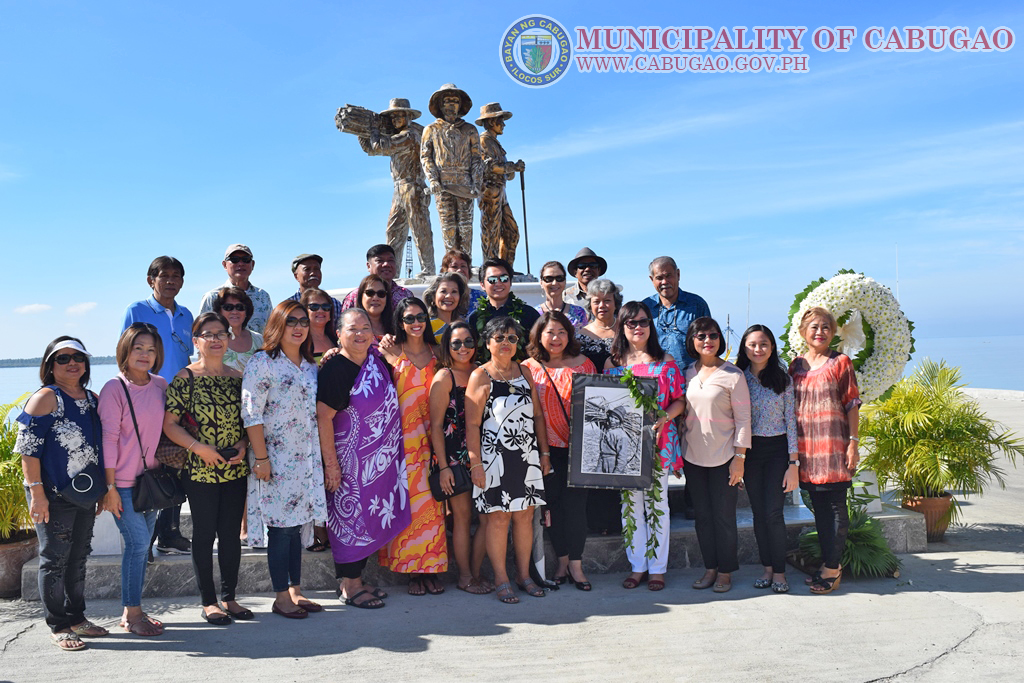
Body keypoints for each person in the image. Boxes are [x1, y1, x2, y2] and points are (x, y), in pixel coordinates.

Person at [16, 337, 108, 651]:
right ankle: (58, 626)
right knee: (54, 560)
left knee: (78, 558)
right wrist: (37, 495)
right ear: (50, 366)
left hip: (83, 495)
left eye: (78, 357)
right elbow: (27, 452)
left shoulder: (93, 399)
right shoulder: (45, 398)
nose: (72, 363)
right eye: (63, 358)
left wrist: (99, 492)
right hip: (53, 496)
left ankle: (77, 617)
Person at [316, 308, 410, 609]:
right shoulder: (335, 369)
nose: (360, 334)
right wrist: (331, 465)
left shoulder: (376, 361)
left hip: (379, 464)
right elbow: (323, 418)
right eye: (352, 329)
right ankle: (349, 586)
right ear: (339, 334)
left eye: (365, 328)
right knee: (350, 521)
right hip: (348, 464)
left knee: (368, 519)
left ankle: (356, 579)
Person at [162, 313, 252, 624]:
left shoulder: (237, 377)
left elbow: (247, 424)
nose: (215, 339)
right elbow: (170, 425)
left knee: (230, 534)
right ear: (196, 341)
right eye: (207, 334)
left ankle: (230, 597)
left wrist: (243, 445)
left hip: (234, 469)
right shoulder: (184, 378)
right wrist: (200, 449)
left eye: (221, 333)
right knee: (204, 534)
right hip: (199, 470)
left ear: (228, 339)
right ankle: (209, 601)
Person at [242, 302, 329, 618]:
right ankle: (281, 597)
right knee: (281, 529)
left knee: (296, 528)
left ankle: (295, 591)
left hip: (306, 461)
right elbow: (251, 414)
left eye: (303, 321)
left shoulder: (308, 365)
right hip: (275, 460)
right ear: (277, 324)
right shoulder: (262, 363)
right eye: (290, 321)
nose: (298, 326)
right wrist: (261, 458)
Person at [465, 317, 551, 604]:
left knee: (525, 516)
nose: (506, 343)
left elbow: (538, 415)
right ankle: (501, 578)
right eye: (500, 337)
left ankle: (523, 575)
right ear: (487, 342)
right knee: (499, 519)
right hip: (494, 459)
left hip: (526, 455)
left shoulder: (525, 371)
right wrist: (476, 463)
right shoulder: (480, 376)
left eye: (512, 338)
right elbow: (472, 425)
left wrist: (544, 453)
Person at [604, 302, 686, 592]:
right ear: (622, 327)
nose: (638, 327)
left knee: (657, 505)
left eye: (643, 322)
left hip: (659, 443)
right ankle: (637, 565)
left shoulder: (665, 361)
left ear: (650, 326)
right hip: (624, 447)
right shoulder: (613, 363)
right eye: (631, 323)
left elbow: (679, 400)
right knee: (631, 507)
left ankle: (658, 568)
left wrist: (666, 416)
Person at [97, 324, 168, 637]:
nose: (145, 355)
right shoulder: (115, 388)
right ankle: (132, 612)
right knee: (138, 545)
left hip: (150, 483)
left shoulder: (160, 385)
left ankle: (133, 612)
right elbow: (108, 439)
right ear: (125, 350)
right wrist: (109, 488)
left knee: (142, 547)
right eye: (138, 348)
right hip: (122, 485)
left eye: (151, 349)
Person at [122, 256, 192, 557]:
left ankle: (170, 533)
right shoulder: (137, 310)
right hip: (147, 398)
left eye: (177, 276)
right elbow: (126, 351)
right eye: (164, 275)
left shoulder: (187, 314)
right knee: (146, 463)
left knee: (176, 463)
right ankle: (144, 540)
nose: (171, 281)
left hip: (179, 400)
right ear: (152, 280)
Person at [788, 307, 862, 595]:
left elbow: (852, 404)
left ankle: (833, 567)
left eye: (826, 328)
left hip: (834, 446)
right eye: (814, 327)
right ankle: (826, 562)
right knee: (818, 506)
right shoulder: (796, 366)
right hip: (807, 448)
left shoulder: (841, 362)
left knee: (834, 506)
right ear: (803, 332)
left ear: (833, 333)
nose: (820, 332)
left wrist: (853, 442)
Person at [523, 311, 596, 590]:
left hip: (580, 449)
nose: (556, 338)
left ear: (570, 334)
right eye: (550, 332)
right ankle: (562, 561)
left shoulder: (585, 365)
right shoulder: (527, 368)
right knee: (552, 508)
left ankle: (576, 565)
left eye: (562, 332)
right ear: (539, 336)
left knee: (577, 508)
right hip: (544, 450)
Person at [378, 298, 448, 594]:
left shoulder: (439, 353)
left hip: (436, 441)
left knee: (433, 508)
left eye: (421, 316)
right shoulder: (391, 351)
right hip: (401, 444)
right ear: (400, 322)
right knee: (408, 509)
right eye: (409, 318)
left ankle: (430, 569)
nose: (416, 322)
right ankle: (412, 573)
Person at [683, 316, 751, 595]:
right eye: (701, 336)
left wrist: (740, 458)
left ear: (720, 340)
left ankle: (725, 572)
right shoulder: (687, 372)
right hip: (692, 457)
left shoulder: (733, 375)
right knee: (702, 517)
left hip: (724, 458)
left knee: (724, 518)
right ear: (693, 341)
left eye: (712, 335)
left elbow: (744, 419)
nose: (707, 341)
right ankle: (710, 568)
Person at [428, 321, 492, 595]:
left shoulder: (484, 372)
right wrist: (444, 467)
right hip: (455, 459)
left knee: (488, 520)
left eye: (468, 341)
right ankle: (465, 577)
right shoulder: (444, 377)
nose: (463, 347)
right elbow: (436, 426)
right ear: (447, 347)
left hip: (485, 455)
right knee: (463, 518)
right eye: (456, 343)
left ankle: (475, 574)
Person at [736, 324, 799, 594]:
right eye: (752, 344)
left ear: (772, 347)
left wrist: (793, 464)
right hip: (749, 452)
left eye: (763, 344)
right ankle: (767, 569)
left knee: (774, 513)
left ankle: (781, 573)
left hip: (777, 450)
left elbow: (792, 423)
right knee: (759, 514)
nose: (758, 349)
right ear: (744, 348)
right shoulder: (738, 378)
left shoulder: (783, 379)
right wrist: (736, 460)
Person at [355, 98, 436, 275]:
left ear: (408, 116)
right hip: (399, 188)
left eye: (399, 115)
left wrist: (374, 129)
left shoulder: (408, 135)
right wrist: (361, 131)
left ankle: (428, 270)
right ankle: (392, 273)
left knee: (419, 229)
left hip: (412, 186)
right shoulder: (402, 134)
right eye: (392, 117)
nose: (395, 119)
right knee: (393, 231)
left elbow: (379, 147)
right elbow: (370, 149)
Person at [420, 83, 482, 255]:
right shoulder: (431, 129)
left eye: (455, 101)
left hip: (465, 184)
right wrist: (433, 179)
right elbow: (425, 156)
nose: (451, 104)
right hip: (443, 184)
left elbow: (477, 158)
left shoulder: (470, 130)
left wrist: (477, 183)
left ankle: (466, 262)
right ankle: (451, 263)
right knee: (448, 226)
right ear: (440, 104)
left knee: (465, 226)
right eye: (447, 100)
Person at [642, 256, 710, 371]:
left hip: (689, 379)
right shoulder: (645, 307)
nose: (664, 282)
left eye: (669, 276)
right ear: (651, 280)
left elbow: (708, 343)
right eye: (659, 277)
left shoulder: (697, 305)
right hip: (654, 380)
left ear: (678, 274)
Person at [476, 102, 523, 267]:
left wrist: (512, 169)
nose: (503, 124)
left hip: (501, 193)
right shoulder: (483, 141)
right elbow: (489, 167)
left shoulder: (495, 143)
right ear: (490, 122)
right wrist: (512, 167)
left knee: (511, 231)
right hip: (489, 192)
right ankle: (491, 267)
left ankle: (505, 268)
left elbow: (504, 173)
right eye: (500, 120)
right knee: (491, 233)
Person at [467, 258, 540, 362]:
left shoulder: (529, 314)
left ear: (510, 282)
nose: (499, 283)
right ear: (482, 285)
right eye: (492, 280)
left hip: (523, 374)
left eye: (504, 278)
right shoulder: (475, 318)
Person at [198, 244, 272, 333]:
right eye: (234, 260)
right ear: (224, 265)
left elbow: (271, 332)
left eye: (246, 259)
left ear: (252, 264)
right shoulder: (212, 297)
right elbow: (202, 334)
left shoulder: (263, 296)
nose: (241, 264)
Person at [341, 244, 414, 311]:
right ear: (368, 266)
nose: (386, 264)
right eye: (380, 261)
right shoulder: (354, 296)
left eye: (390, 260)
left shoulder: (406, 294)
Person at [576, 278, 621, 375]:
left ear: (616, 304)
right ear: (590, 305)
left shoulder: (626, 331)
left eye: (607, 300)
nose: (602, 305)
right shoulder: (581, 336)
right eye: (596, 301)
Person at [212, 286, 264, 372]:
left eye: (240, 307)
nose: (235, 312)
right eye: (228, 307)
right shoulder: (212, 340)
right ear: (219, 311)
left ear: (247, 312)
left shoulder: (259, 340)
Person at [288, 253, 343, 323]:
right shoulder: (289, 306)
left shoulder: (335, 304)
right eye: (307, 269)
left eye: (316, 269)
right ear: (296, 276)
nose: (313, 273)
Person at [536, 261, 588, 330]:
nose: (554, 283)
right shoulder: (534, 313)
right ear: (541, 282)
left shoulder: (579, 313)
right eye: (549, 279)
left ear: (565, 281)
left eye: (559, 278)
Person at [423, 272, 469, 343]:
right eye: (443, 291)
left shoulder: (464, 326)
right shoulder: (425, 326)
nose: (448, 296)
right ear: (433, 296)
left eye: (454, 291)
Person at [565, 247, 608, 319]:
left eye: (593, 266)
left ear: (599, 270)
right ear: (575, 272)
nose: (587, 269)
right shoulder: (565, 296)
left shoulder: (609, 294)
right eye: (582, 266)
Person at [300, 287, 340, 365]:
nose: (320, 310)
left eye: (326, 307)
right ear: (304, 311)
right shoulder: (300, 342)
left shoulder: (337, 340)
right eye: (314, 307)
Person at [354, 274, 394, 343]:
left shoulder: (397, 327)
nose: (375, 298)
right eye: (370, 293)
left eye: (381, 294)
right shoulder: (351, 327)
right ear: (361, 297)